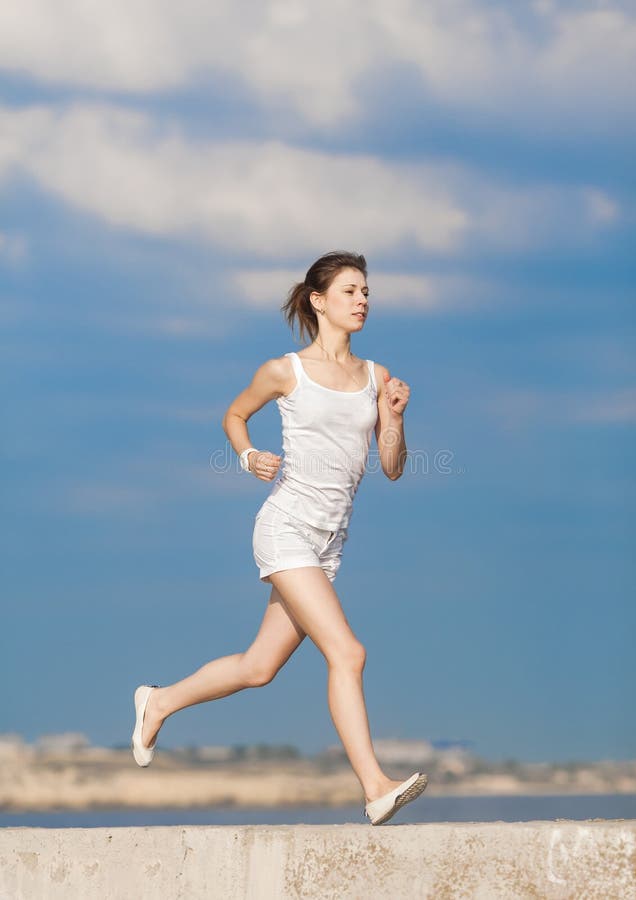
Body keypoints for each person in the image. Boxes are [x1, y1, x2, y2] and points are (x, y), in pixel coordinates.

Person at [131, 250, 427, 825]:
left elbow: (391, 467)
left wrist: (393, 417)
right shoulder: (283, 370)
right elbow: (234, 416)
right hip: (286, 526)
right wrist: (248, 457)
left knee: (258, 667)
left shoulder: (378, 377)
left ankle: (158, 700)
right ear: (318, 301)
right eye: (349, 291)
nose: (362, 300)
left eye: (366, 291)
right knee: (348, 651)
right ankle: (374, 786)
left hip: (329, 542)